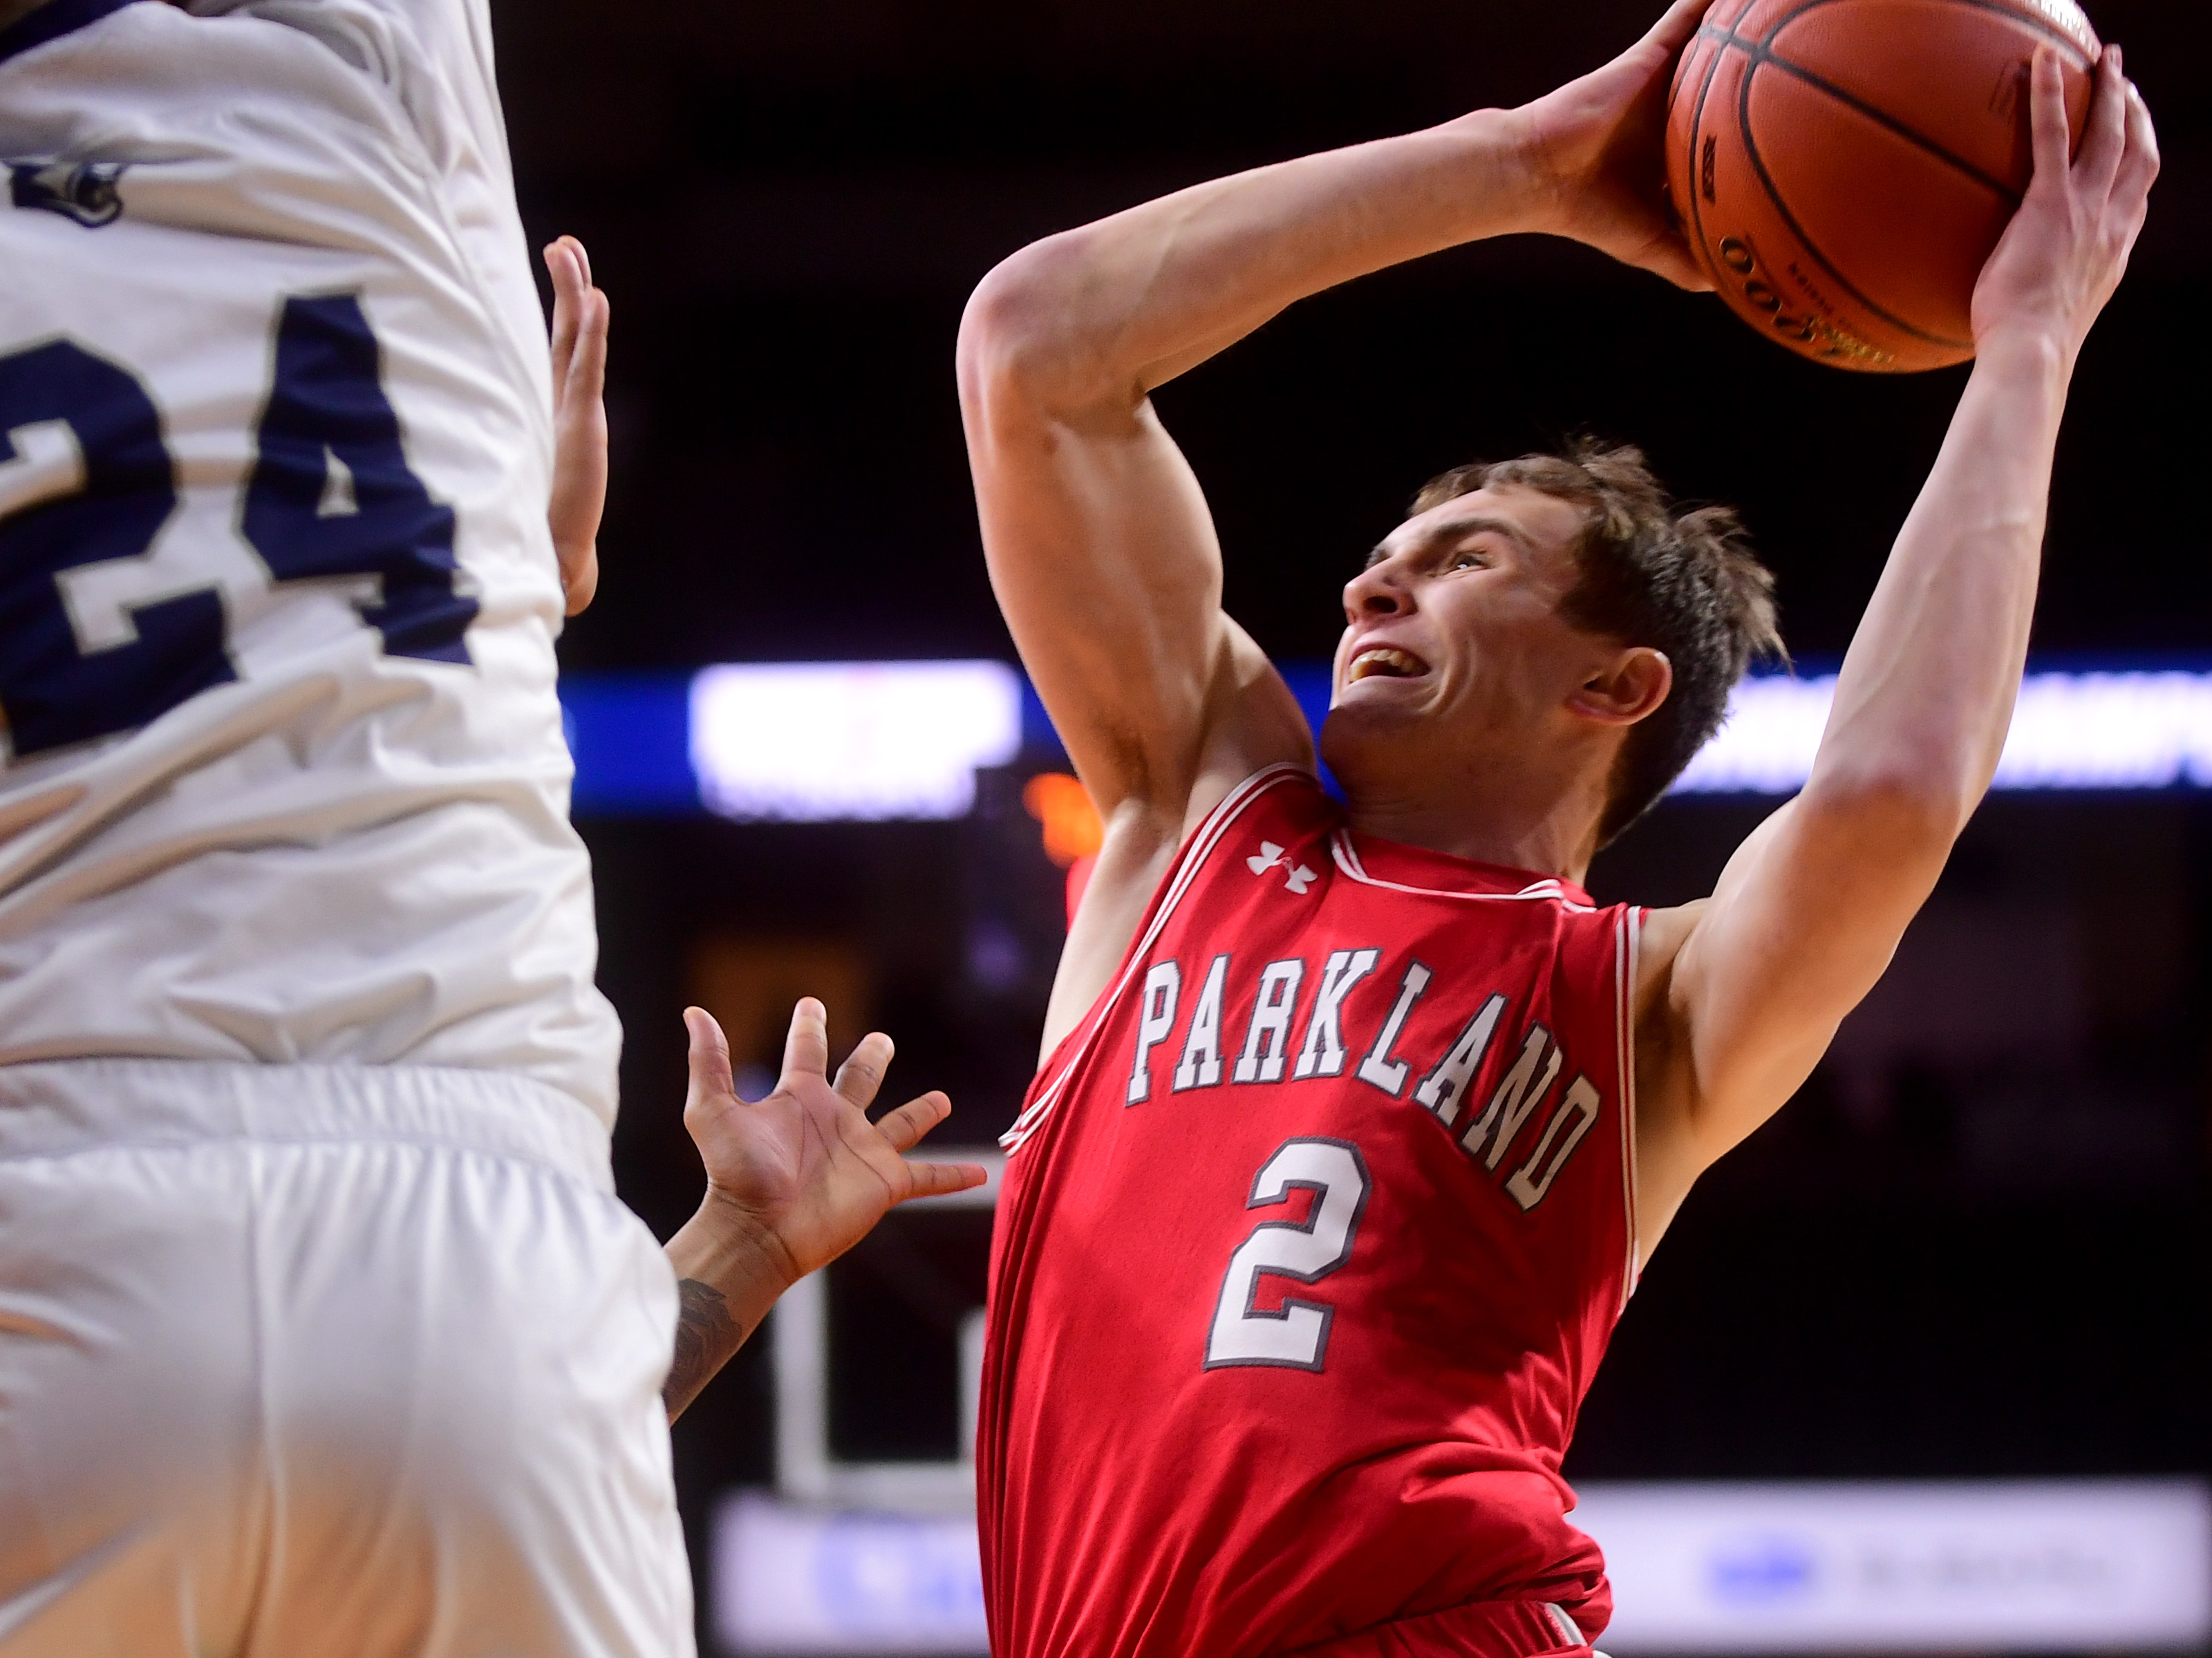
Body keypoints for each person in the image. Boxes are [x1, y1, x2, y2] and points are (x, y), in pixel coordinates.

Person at [954, 0, 2157, 1651]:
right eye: (1390, 550)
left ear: (1615, 686)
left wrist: (2028, 343)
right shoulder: (1197, 818)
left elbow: (1886, 792)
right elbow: (1035, 353)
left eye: (1466, 558)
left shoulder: (1641, 1005)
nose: (1377, 577)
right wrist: (1513, 165)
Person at [0, 2, 978, 1652]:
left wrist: (528, 576)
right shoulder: (370, 80)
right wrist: (516, 579)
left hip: (57, 1221)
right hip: (486, 1281)